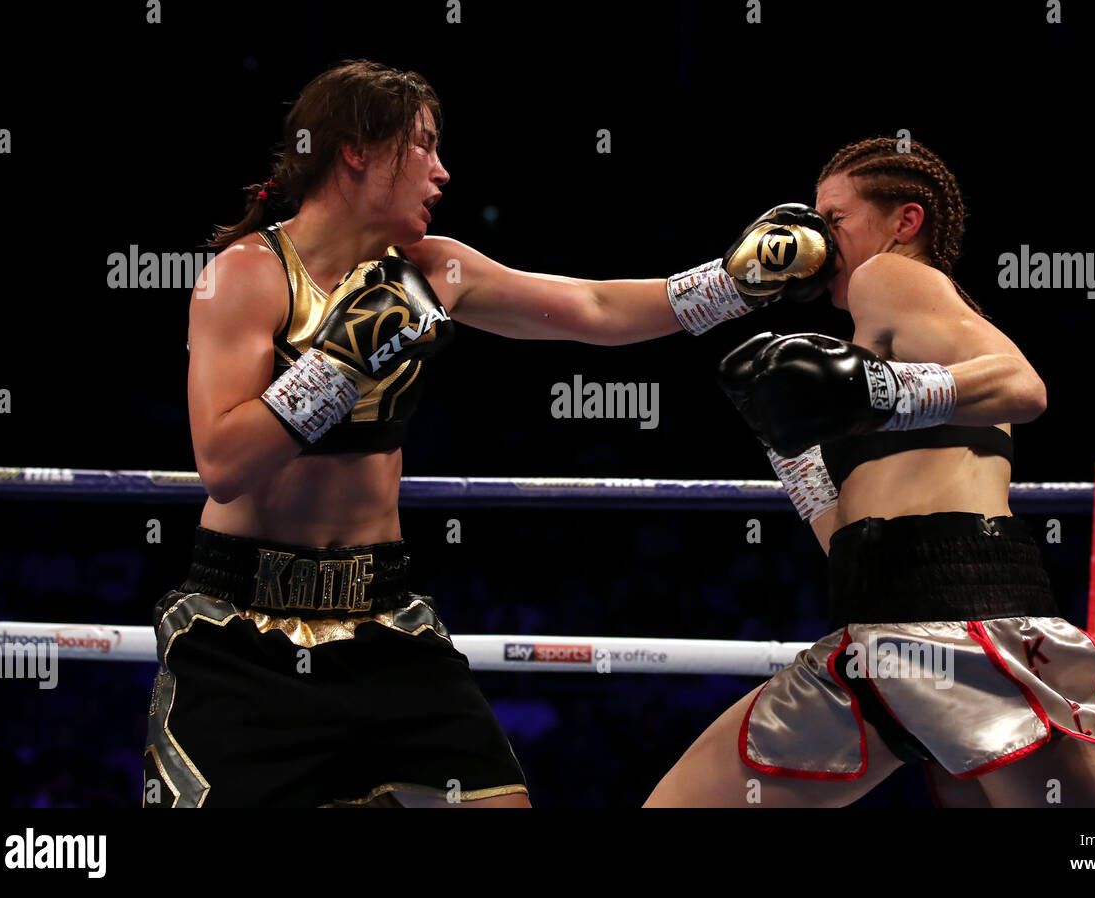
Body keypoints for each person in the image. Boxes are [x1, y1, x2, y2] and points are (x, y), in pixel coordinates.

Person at [142, 59, 834, 807]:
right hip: (242, 629)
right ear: (357, 150)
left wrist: (733, 284)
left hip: (383, 620)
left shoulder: (435, 269)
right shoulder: (244, 274)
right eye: (425, 146)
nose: (442, 172)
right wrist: (342, 361)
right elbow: (222, 462)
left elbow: (594, 309)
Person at [645, 137, 1095, 808]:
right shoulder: (867, 351)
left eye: (834, 220)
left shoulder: (892, 276)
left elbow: (1024, 384)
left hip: (960, 622)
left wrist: (879, 393)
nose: (818, 242)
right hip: (867, 630)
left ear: (905, 223)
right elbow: (846, 541)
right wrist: (795, 450)